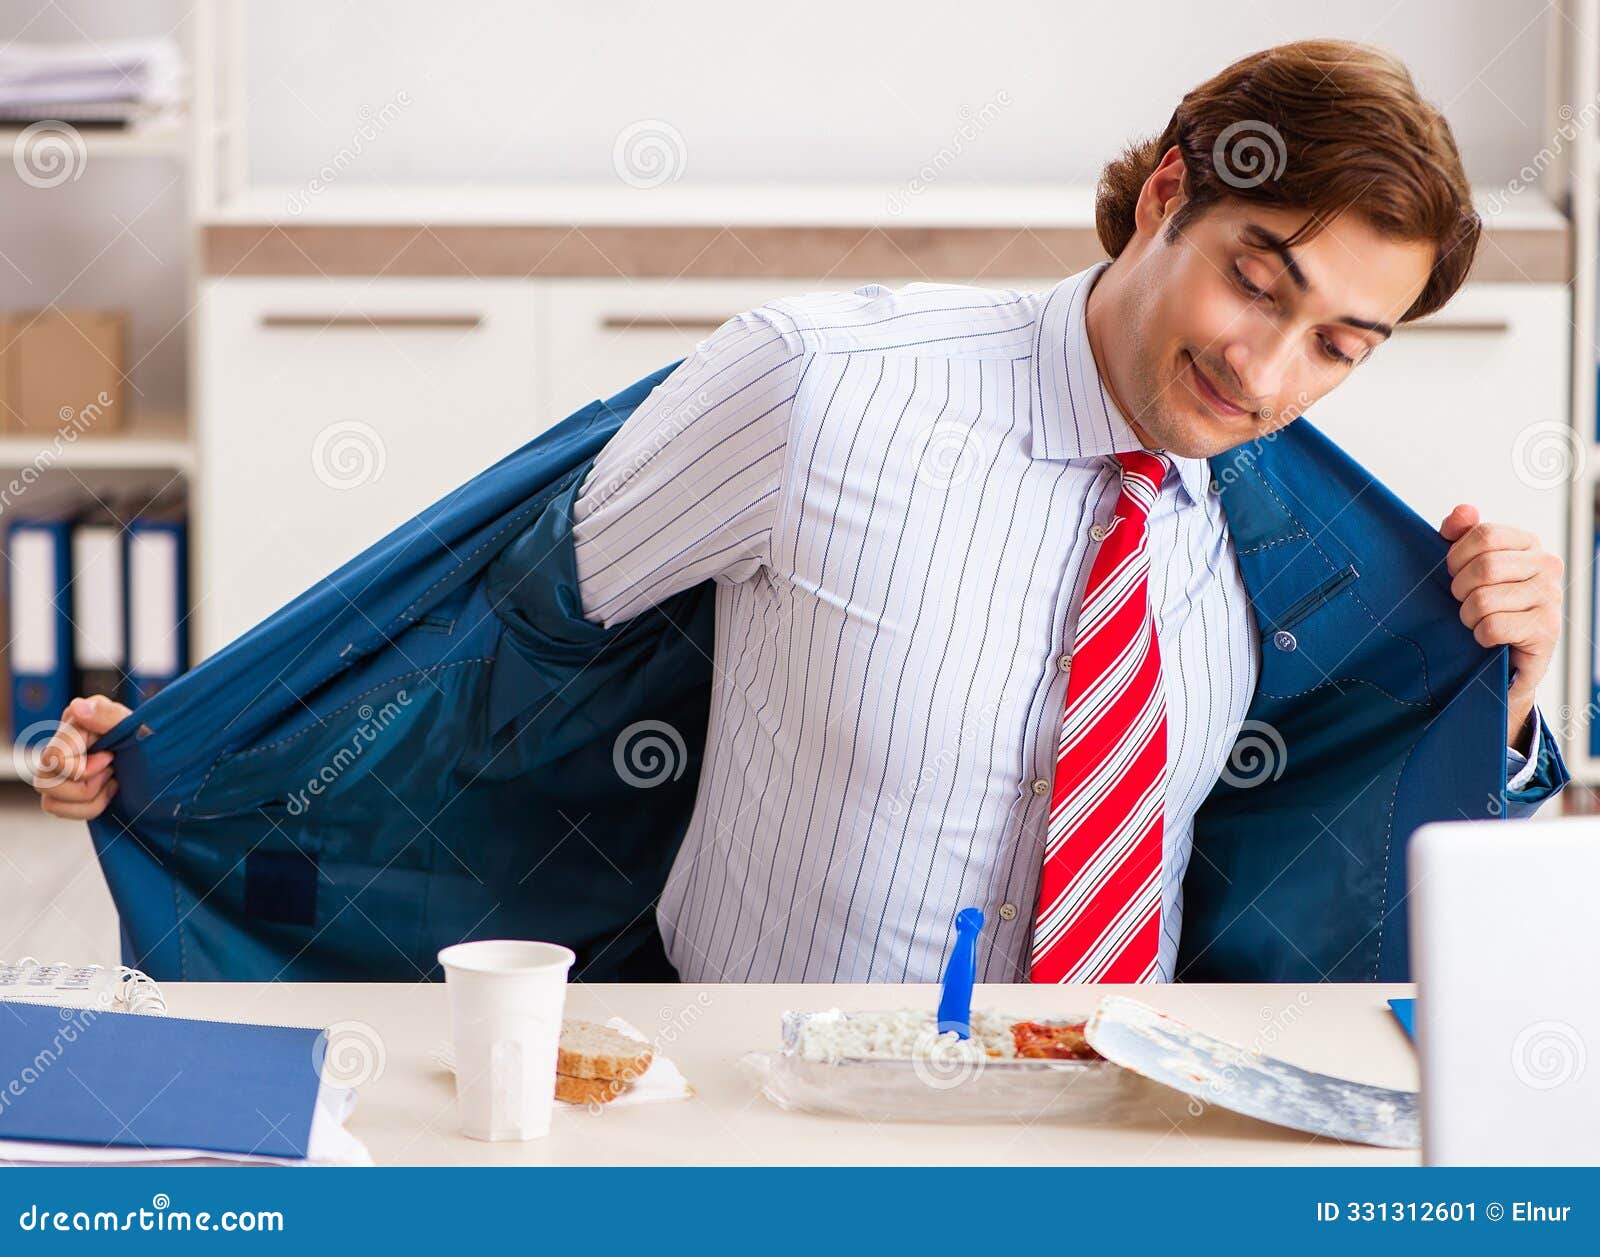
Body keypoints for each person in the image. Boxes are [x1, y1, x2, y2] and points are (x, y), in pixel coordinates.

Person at [34, 39, 1567, 984]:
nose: (1266, 366)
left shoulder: (1289, 537)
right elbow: (486, 655)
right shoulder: (815, 389)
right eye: (1257, 277)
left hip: (1114, 1110)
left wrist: (1498, 701)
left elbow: (1354, 827)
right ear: (1169, 194)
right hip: (772, 1102)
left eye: (1340, 347)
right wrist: (204, 757)